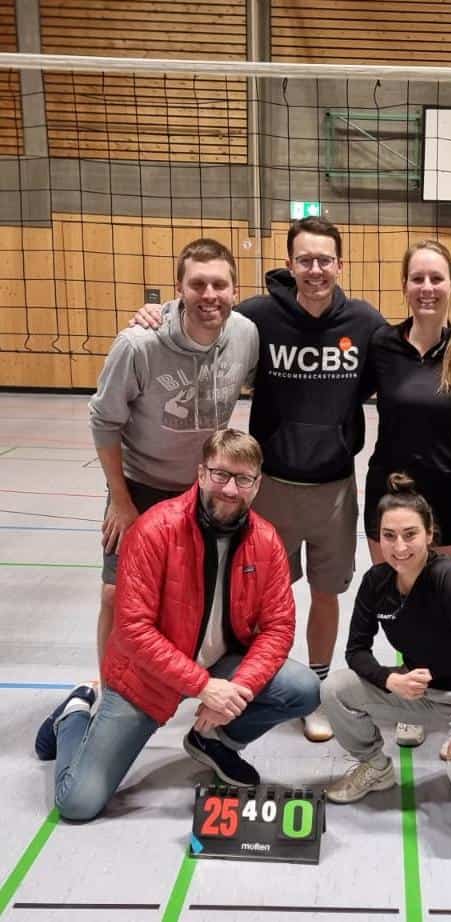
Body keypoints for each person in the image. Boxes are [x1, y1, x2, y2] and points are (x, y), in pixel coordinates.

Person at [132, 218, 387, 743]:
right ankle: (252, 686)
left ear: (340, 264)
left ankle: (316, 691)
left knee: (326, 593)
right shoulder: (257, 317)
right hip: (270, 486)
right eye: (305, 259)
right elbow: (203, 317)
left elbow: (408, 354)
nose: (315, 269)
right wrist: (157, 312)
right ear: (289, 264)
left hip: (335, 487)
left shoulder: (363, 321)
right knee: (257, 600)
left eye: (325, 259)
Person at [34, 430, 320, 822]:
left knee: (303, 689)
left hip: (220, 666)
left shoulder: (267, 541)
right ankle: (74, 713)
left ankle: (213, 741)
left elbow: (278, 628)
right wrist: (203, 687)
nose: (230, 489)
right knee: (78, 802)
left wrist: (239, 688)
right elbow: (133, 629)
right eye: (220, 475)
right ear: (201, 474)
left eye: (243, 479)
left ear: (257, 485)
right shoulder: (155, 529)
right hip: (147, 677)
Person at [89, 238, 258, 664]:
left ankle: (183, 679)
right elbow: (104, 421)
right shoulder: (138, 345)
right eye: (197, 284)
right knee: (115, 594)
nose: (209, 295)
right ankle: (112, 692)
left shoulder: (245, 334)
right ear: (178, 289)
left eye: (219, 285)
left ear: (235, 291)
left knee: (194, 595)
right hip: (140, 486)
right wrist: (121, 500)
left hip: (202, 491)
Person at [321, 473, 451, 820]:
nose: (399, 547)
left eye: (410, 534)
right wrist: (390, 679)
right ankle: (376, 767)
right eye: (389, 536)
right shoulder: (376, 582)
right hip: (420, 693)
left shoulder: (449, 581)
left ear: (430, 534)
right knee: (334, 689)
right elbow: (356, 651)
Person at [364, 239, 451, 748]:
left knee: (444, 608)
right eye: (417, 278)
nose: (427, 287)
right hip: (390, 499)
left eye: (436, 278)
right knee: (402, 606)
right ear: (404, 285)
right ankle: (412, 696)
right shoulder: (381, 345)